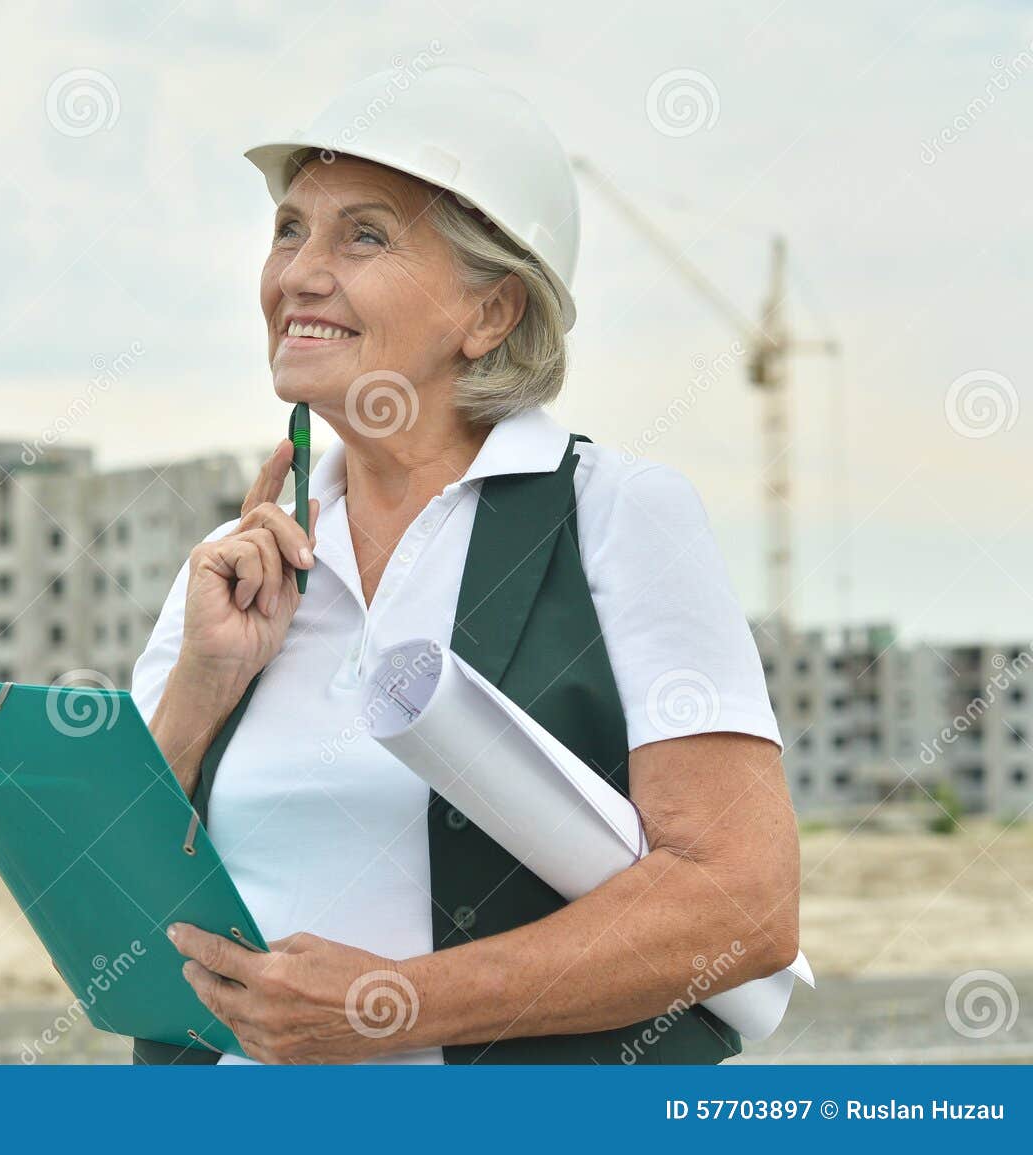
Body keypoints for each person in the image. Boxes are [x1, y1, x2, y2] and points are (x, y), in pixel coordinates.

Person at [129, 65, 800, 1065]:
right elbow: (103, 897)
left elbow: (741, 906)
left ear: (489, 314)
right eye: (288, 229)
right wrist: (203, 684)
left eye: (364, 234)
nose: (299, 273)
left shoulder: (612, 515)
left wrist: (398, 1004)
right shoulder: (243, 563)